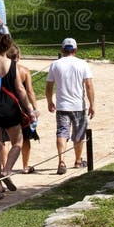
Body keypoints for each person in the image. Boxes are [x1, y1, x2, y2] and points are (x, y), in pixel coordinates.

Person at [0, 32, 35, 193]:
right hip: (10, 107)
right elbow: (20, 90)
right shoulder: (12, 65)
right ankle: (7, 170)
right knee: (18, 142)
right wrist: (30, 109)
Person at [45, 37, 95, 175]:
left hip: (62, 106)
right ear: (75, 50)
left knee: (61, 132)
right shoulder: (82, 64)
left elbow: (49, 86)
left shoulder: (55, 64)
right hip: (78, 105)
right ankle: (78, 161)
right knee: (79, 133)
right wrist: (92, 104)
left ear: (62, 50)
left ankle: (61, 160)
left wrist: (49, 101)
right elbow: (89, 85)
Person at [7, 43, 39, 173]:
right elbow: (30, 91)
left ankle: (5, 166)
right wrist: (35, 108)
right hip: (22, 108)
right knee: (25, 138)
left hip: (6, 106)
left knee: (4, 139)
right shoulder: (24, 70)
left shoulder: (2, 70)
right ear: (18, 56)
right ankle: (25, 166)